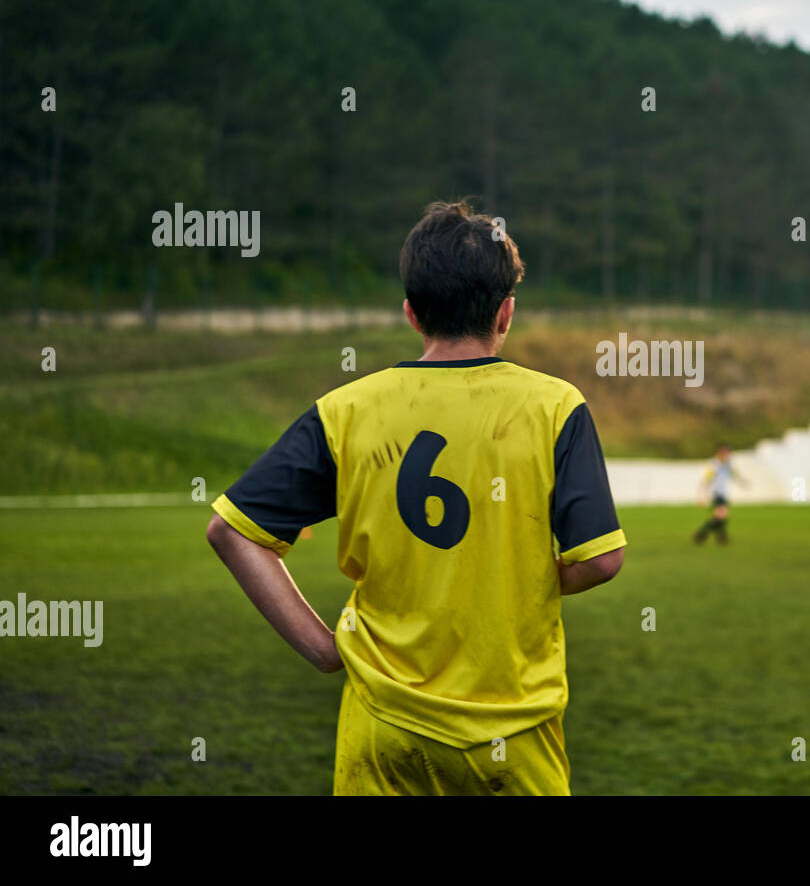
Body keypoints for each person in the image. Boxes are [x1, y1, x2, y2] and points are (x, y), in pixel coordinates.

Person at [206, 200, 626, 796]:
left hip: (384, 723)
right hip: (514, 729)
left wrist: (325, 651)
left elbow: (232, 530)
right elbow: (601, 558)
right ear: (505, 313)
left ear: (412, 313)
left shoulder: (346, 411)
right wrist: (519, 576)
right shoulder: (556, 407)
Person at [694, 443, 747, 544]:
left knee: (720, 518)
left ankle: (705, 534)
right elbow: (706, 481)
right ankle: (714, 535)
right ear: (720, 453)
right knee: (721, 516)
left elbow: (734, 475)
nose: (728, 455)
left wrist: (743, 483)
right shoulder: (714, 465)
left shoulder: (727, 465)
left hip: (723, 494)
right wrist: (701, 496)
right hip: (716, 494)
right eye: (726, 453)